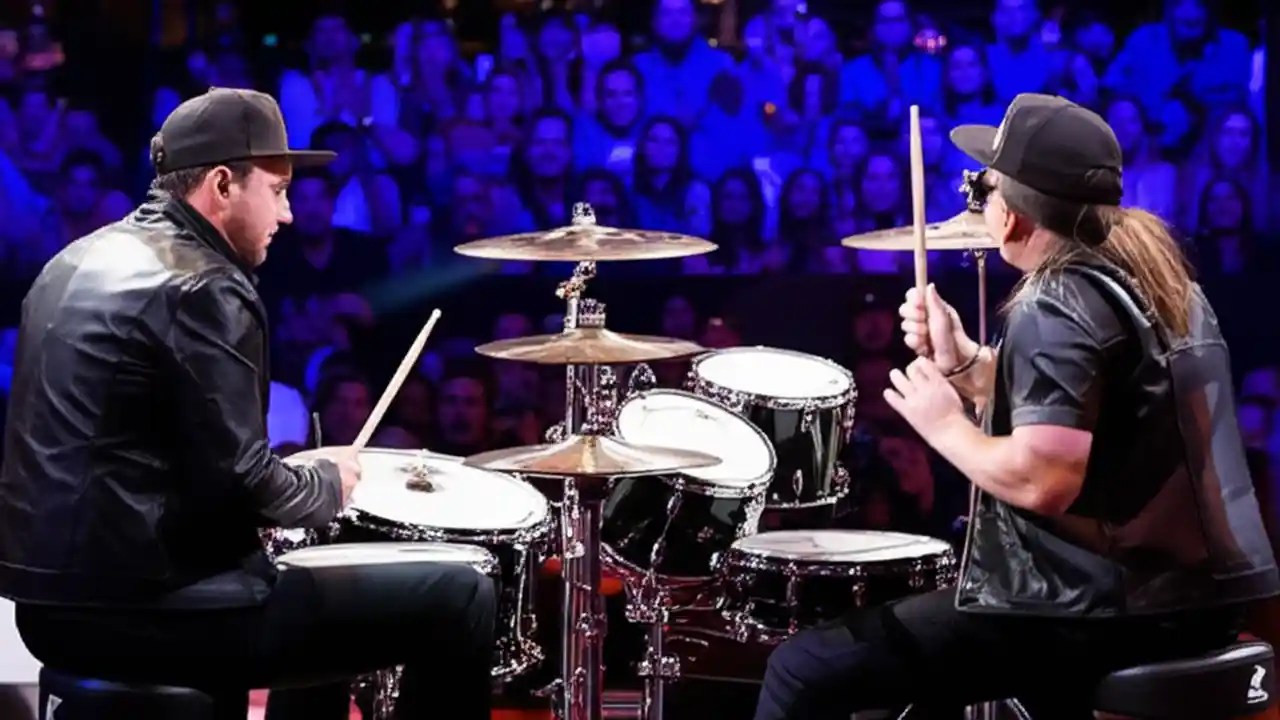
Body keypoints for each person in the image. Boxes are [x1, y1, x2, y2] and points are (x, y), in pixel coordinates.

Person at [754, 93, 1280, 718]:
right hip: (1198, 599)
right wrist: (964, 363)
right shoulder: (1163, 282)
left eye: (986, 187)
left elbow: (1045, 479)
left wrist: (944, 424)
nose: (982, 200)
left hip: (1105, 608)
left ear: (1010, 218)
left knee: (804, 669)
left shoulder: (1053, 300)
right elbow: (1103, 412)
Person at [0, 88, 496, 720]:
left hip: (44, 610)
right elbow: (248, 482)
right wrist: (326, 482)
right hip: (149, 610)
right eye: (280, 189)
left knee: (316, 588)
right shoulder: (206, 283)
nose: (287, 215)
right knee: (463, 593)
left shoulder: (71, 263)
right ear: (222, 184)